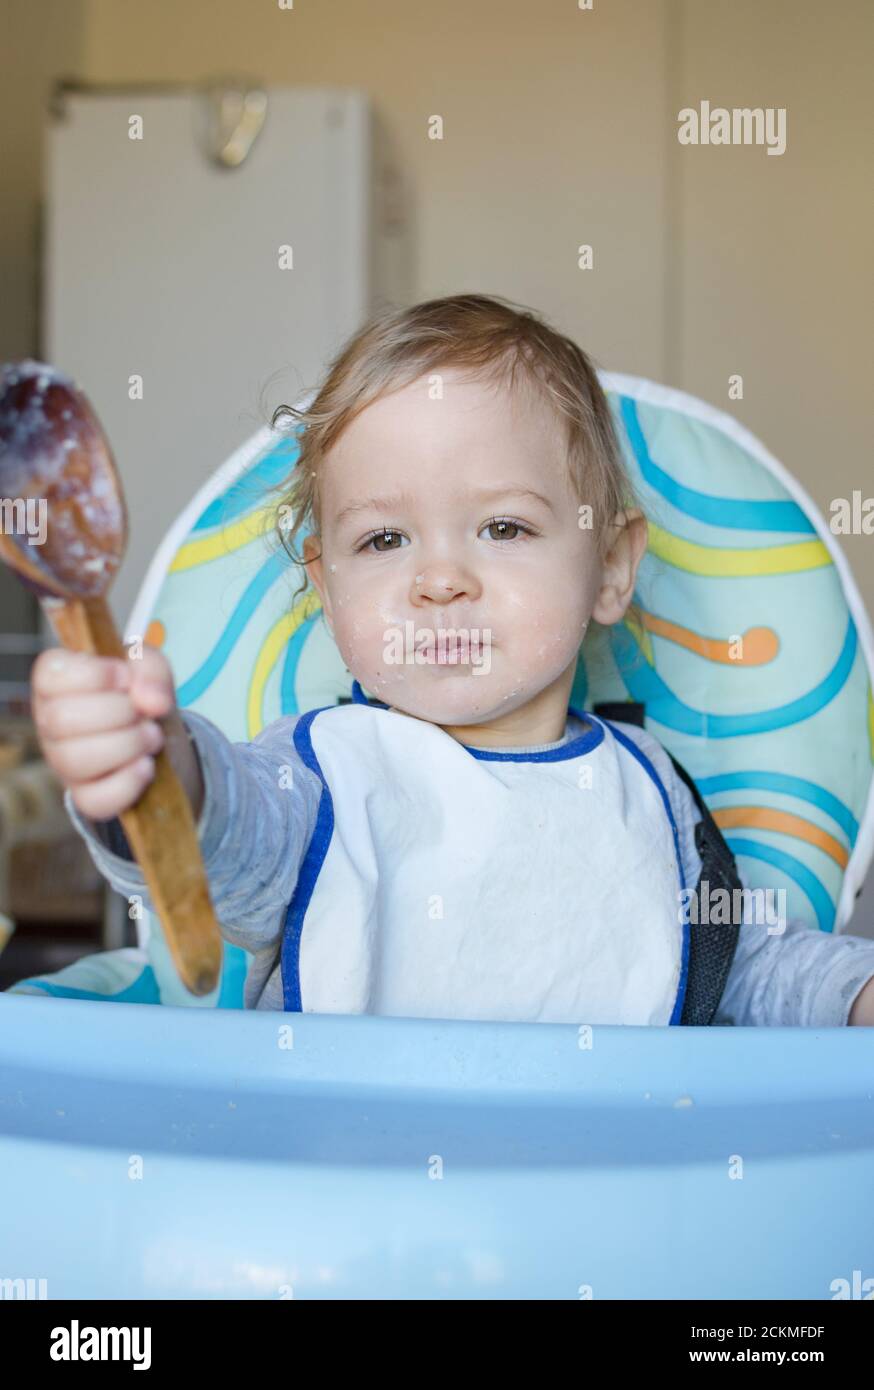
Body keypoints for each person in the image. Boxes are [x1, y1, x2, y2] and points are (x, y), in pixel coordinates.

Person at [29, 294, 874, 1025]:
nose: (438, 580)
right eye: (384, 538)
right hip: (346, 1185)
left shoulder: (646, 792)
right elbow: (222, 843)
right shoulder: (321, 777)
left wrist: (855, 994)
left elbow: (749, 967)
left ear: (611, 566)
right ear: (326, 587)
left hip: (609, 1192)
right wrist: (155, 764)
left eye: (504, 527)